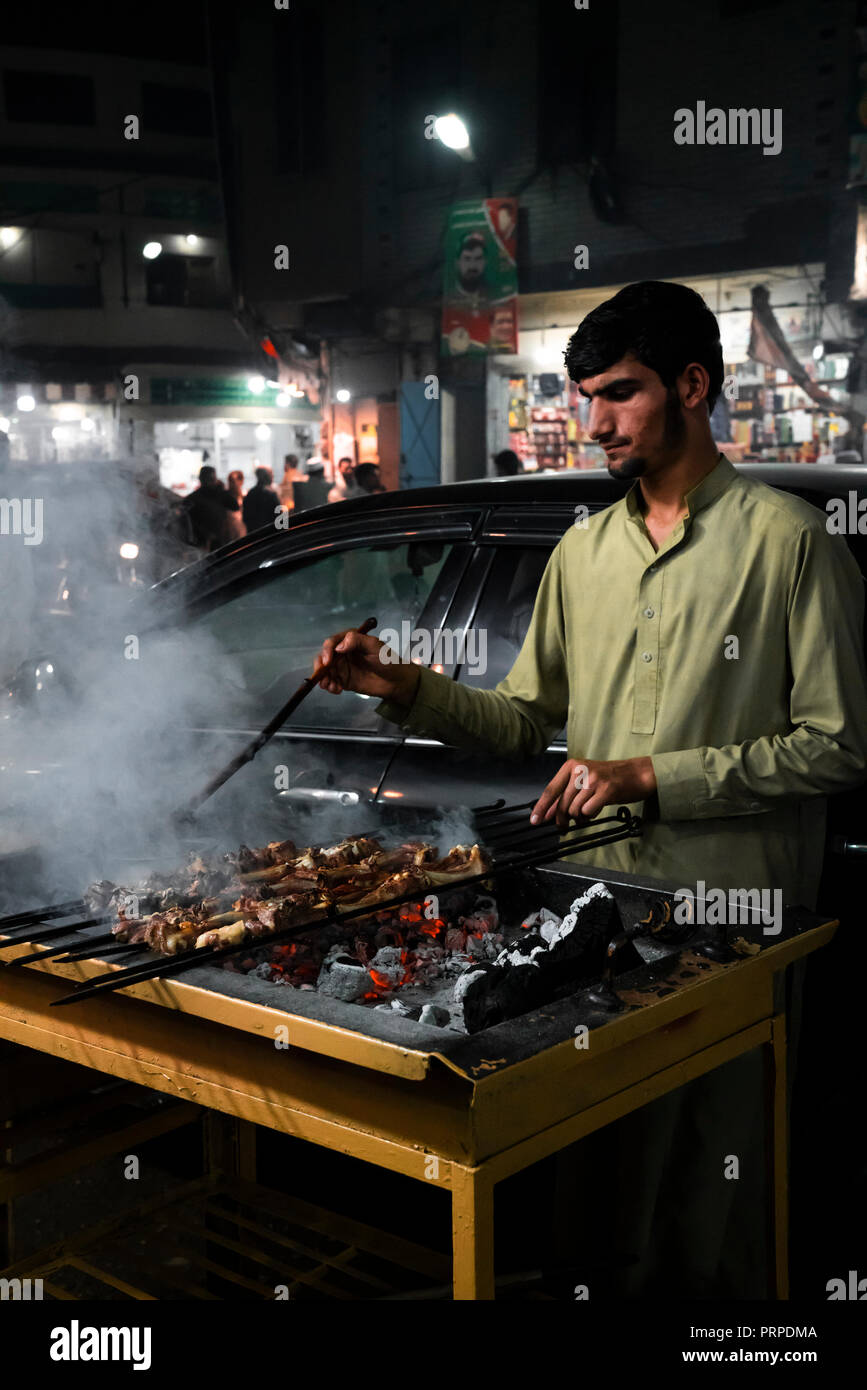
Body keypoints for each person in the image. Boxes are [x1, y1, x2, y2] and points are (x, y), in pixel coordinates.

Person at [312, 279, 867, 1295]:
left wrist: (651, 774)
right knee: (597, 1188)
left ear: (693, 386)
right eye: (585, 396)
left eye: (620, 393)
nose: (595, 421)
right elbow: (523, 719)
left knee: (713, 1195)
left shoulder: (791, 547)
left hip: (729, 932)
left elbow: (834, 748)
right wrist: (405, 686)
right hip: (597, 929)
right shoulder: (583, 552)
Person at [182, 464, 241, 551]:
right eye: (209, 479)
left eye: (211, 479)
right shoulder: (194, 498)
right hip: (202, 542)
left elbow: (235, 506)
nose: (209, 482)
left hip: (217, 540)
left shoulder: (218, 494)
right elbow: (188, 521)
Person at [241, 466, 281, 534]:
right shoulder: (270, 494)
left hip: (254, 534)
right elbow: (280, 518)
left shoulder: (251, 493)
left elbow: (245, 517)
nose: (272, 477)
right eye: (271, 475)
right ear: (266, 477)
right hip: (270, 534)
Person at [225, 470, 246, 538]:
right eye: (231, 481)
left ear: (241, 482)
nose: (232, 484)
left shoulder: (244, 496)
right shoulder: (225, 497)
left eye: (234, 481)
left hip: (241, 529)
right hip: (229, 530)